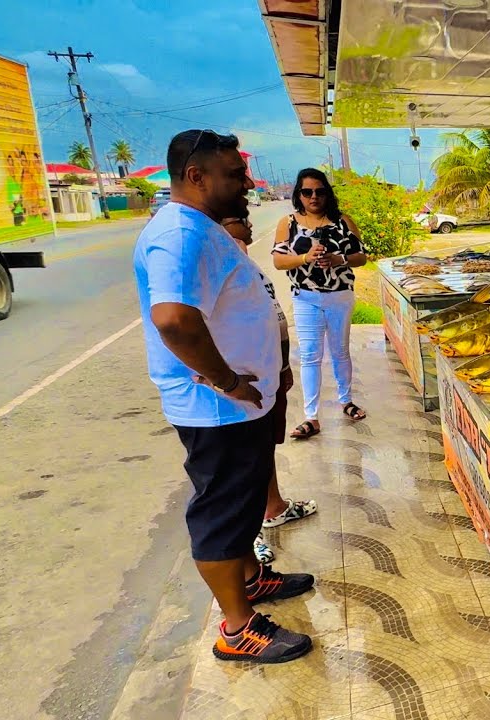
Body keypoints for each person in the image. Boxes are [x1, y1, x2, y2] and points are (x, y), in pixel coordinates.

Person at [134, 129, 314, 664]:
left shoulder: (201, 227)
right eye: (235, 175)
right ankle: (237, 629)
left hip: (240, 404)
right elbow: (173, 320)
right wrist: (229, 381)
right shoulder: (179, 235)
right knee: (221, 514)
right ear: (196, 176)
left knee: (245, 499)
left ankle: (251, 579)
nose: (248, 183)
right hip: (217, 408)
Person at [220, 214, 319, 565]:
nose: (249, 224)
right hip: (238, 385)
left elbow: (270, 314)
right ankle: (247, 540)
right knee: (239, 463)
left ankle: (273, 507)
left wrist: (282, 366)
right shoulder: (215, 264)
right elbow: (188, 326)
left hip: (265, 375)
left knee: (262, 451)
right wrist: (223, 380)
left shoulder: (243, 261)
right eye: (239, 219)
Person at [272, 168, 368, 440]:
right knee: (309, 356)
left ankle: (346, 400)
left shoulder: (343, 221)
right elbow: (278, 261)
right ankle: (311, 416)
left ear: (327, 193)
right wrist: (305, 258)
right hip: (306, 297)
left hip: (340, 296)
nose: (313, 197)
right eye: (307, 192)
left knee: (340, 351)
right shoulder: (288, 223)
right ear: (298, 194)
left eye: (319, 191)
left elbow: (362, 257)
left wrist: (339, 259)